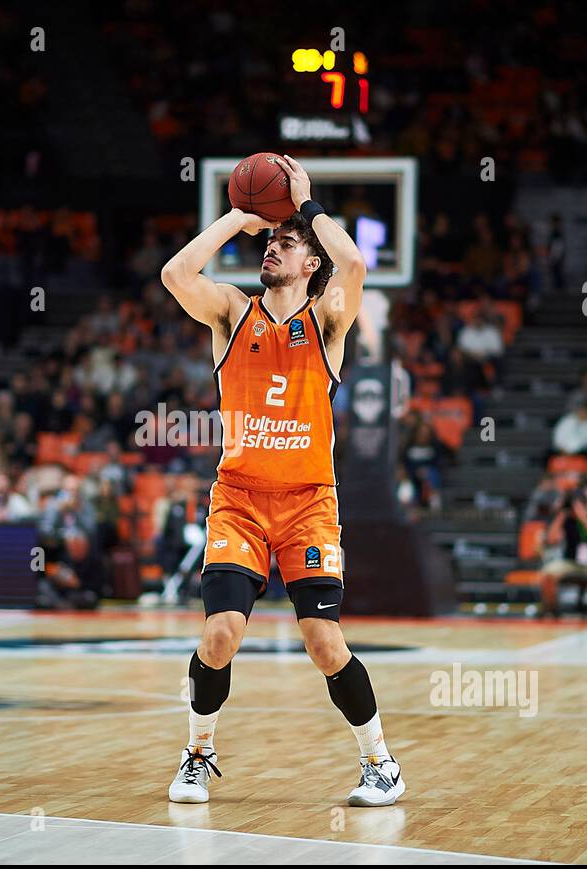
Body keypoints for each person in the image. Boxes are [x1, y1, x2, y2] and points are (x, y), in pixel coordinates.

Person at [160, 155, 402, 807]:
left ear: (309, 263)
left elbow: (355, 266)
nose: (273, 246)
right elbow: (175, 273)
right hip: (237, 503)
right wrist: (238, 215)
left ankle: (380, 761)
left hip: (307, 507)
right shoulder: (231, 314)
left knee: (324, 641)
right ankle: (197, 752)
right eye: (271, 239)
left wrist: (308, 207)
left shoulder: (326, 322)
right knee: (218, 636)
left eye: (285, 242)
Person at [539, 484, 587, 617]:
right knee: (548, 572)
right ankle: (552, 611)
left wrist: (583, 515)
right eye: (584, 501)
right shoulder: (568, 519)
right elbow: (551, 540)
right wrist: (562, 514)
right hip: (570, 562)